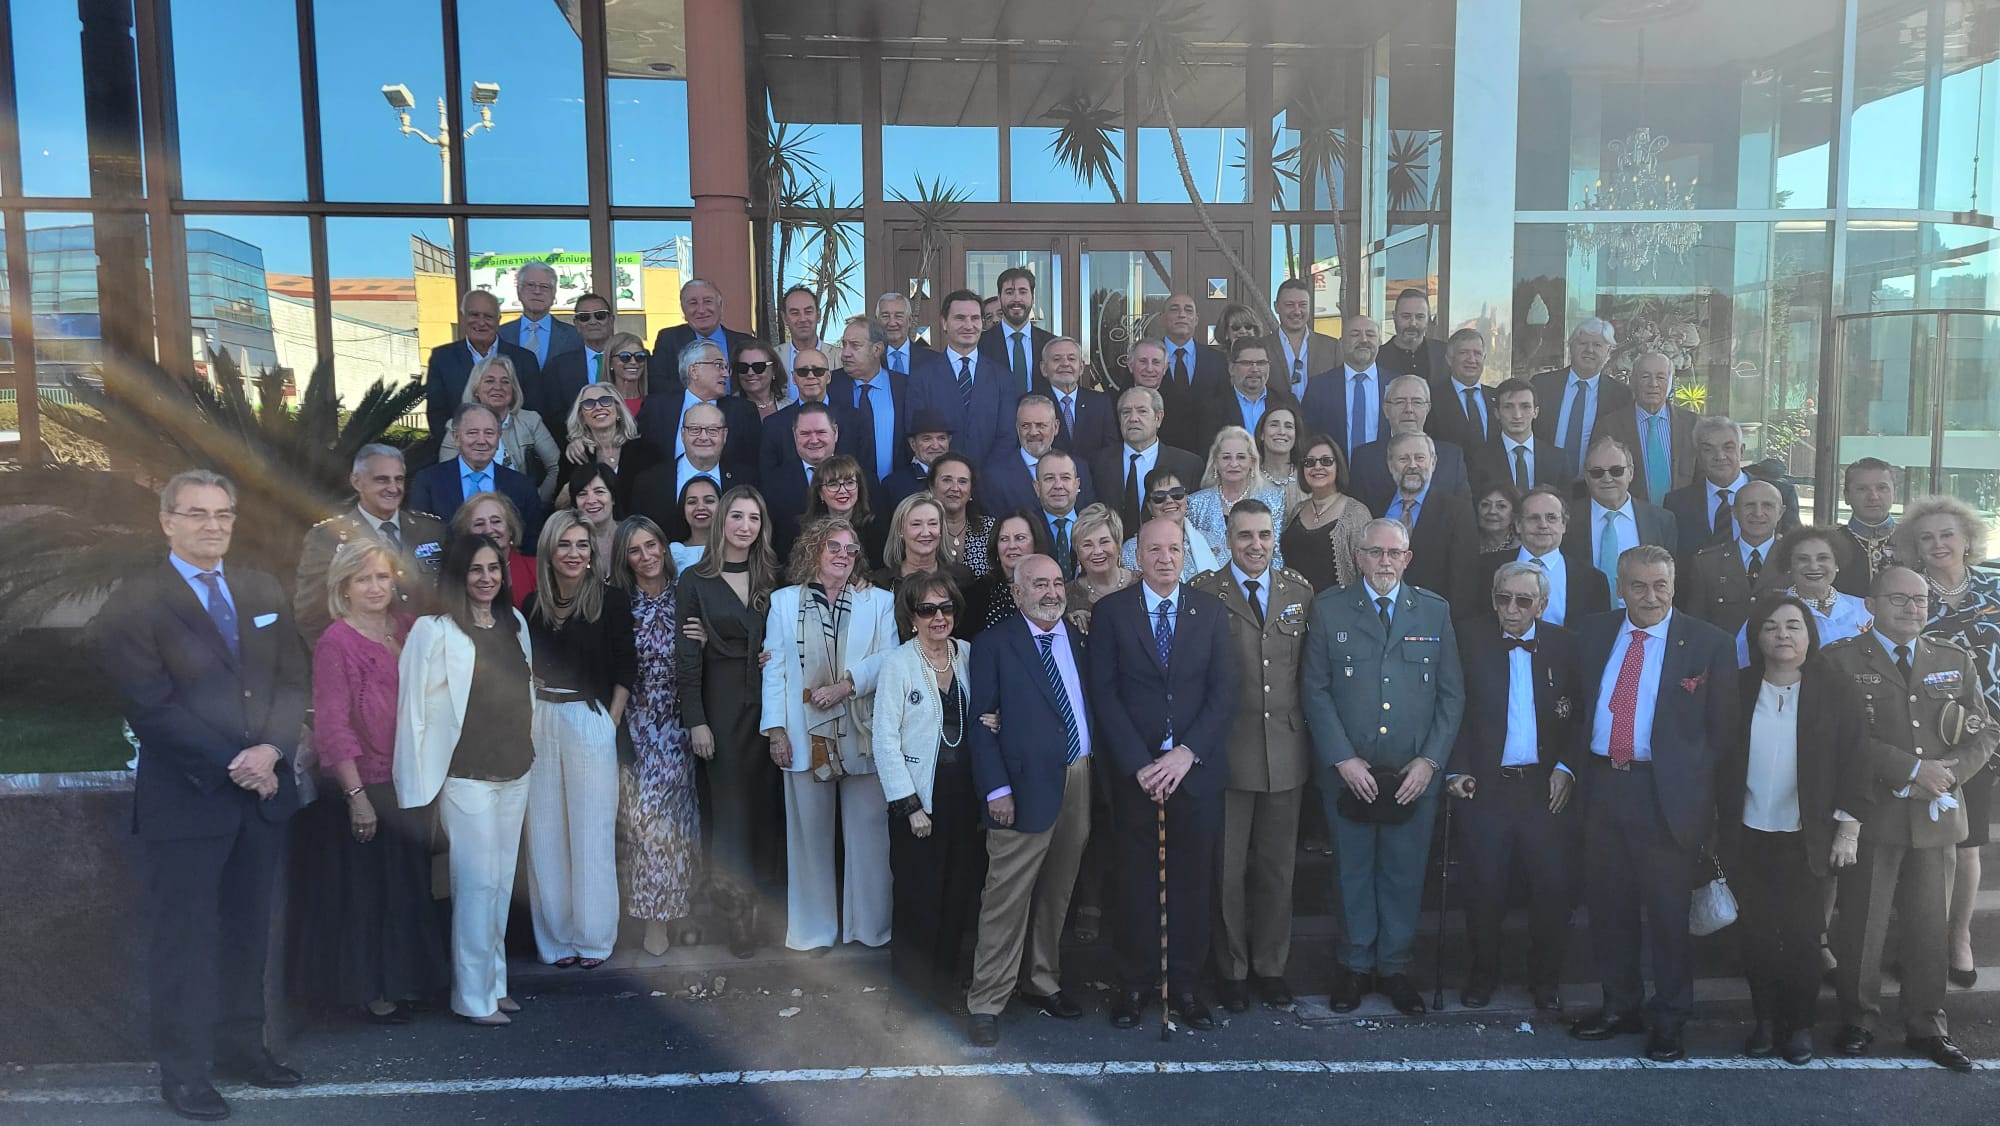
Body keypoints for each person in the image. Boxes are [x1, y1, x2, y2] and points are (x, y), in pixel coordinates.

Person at [95, 470, 310, 1119]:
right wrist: (234, 763)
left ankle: (242, 1046)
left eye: (222, 513)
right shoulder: (134, 603)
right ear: (167, 521)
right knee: (185, 940)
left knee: (248, 931)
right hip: (187, 801)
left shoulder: (262, 588)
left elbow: (293, 678)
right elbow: (150, 707)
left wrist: (271, 751)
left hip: (263, 793)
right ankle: (184, 1071)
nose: (211, 524)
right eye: (195, 514)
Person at [1568, 545, 1738, 1063]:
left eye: (1660, 585)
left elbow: (1723, 736)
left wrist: (1705, 809)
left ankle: (1670, 1018)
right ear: (1620, 586)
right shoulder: (1594, 633)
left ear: (1674, 584)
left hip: (1665, 797)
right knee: (1609, 908)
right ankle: (1620, 1006)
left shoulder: (1709, 644)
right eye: (1637, 586)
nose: (1649, 596)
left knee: (1667, 916)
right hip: (1601, 787)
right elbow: (1576, 708)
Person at [1824, 565, 1995, 1071]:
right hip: (1872, 813)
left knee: (1928, 926)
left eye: (1920, 600)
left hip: (1937, 813)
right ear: (1872, 604)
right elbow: (1838, 737)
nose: (1912, 608)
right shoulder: (1840, 661)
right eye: (1898, 599)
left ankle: (1927, 1023)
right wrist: (1910, 768)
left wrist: (1947, 773)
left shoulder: (1952, 658)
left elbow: (1985, 731)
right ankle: (1858, 1018)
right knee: (1863, 925)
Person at [1301, 518, 1463, 1015]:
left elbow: (1451, 696)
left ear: (1408, 558)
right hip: (1349, 772)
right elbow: (1316, 689)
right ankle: (1355, 968)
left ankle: (1393, 968)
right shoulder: (1329, 609)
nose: (1385, 562)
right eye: (1375, 553)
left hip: (1412, 774)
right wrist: (1343, 758)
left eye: (1394, 553)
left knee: (1402, 873)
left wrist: (1431, 762)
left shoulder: (1433, 612)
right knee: (1352, 871)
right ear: (1359, 557)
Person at [288, 541, 448, 1025]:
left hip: (411, 780)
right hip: (368, 784)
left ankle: (410, 982)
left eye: (382, 577)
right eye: (364, 580)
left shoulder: (405, 628)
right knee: (370, 896)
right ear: (344, 588)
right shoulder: (337, 642)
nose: (376, 587)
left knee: (409, 890)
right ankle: (374, 992)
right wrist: (357, 797)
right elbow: (333, 726)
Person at [1092, 518, 1240, 1030]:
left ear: (1184, 555)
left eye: (1173, 549)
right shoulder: (1112, 613)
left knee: (1192, 883)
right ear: (1137, 556)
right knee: (1134, 882)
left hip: (1193, 774)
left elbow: (1225, 693)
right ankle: (1134, 985)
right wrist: (1140, 764)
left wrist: (1184, 755)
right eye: (1154, 549)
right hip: (1136, 775)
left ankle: (1185, 986)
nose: (1164, 558)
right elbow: (1104, 693)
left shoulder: (1211, 613)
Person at [1721, 594, 1871, 1065]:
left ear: (1810, 635)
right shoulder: (1738, 688)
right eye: (1771, 626)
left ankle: (1800, 1027)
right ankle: (1765, 1022)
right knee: (1758, 935)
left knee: (1805, 937)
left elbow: (1856, 760)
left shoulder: (1836, 689)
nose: (1782, 634)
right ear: (1756, 637)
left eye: (1793, 625)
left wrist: (1848, 830)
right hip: (1748, 834)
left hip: (1808, 837)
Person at [395, 534, 535, 1029]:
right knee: (475, 886)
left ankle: (494, 985)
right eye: (475, 570)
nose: (486, 578)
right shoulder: (432, 632)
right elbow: (411, 711)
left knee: (499, 885)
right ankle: (471, 997)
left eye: (493, 569)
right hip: (465, 775)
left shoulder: (514, 623)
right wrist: (414, 786)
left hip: (515, 769)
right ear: (458, 575)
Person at [963, 554, 1096, 1046]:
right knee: (1006, 895)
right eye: (1038, 583)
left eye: (1057, 582)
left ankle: (1042, 981)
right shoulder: (995, 645)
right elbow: (981, 723)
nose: (1051, 592)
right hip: (1019, 789)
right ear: (1016, 592)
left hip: (1078, 777)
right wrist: (996, 789)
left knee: (1057, 891)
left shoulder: (1078, 639)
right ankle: (987, 1000)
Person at [1191, 501, 1312, 1012]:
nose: (1255, 545)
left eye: (1263, 535)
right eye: (1245, 536)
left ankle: (1271, 967)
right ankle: (1232, 970)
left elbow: (1308, 673)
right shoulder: (1204, 593)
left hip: (1285, 749)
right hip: (1228, 751)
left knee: (1276, 869)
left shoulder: (1299, 593)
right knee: (1228, 870)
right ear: (1228, 538)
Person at [1444, 561, 1580, 1012]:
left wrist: (1566, 766)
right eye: (1504, 598)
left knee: (1552, 887)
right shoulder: (1467, 639)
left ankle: (1545, 979)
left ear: (1541, 604)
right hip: (1486, 786)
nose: (1512, 609)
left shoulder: (1564, 645)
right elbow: (1451, 708)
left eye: (1524, 600)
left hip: (1543, 788)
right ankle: (1483, 975)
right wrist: (1456, 770)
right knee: (1484, 888)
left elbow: (1580, 715)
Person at [760, 517, 899, 953]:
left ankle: (869, 929)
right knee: (809, 837)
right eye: (833, 546)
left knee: (870, 835)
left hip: (860, 729)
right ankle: (814, 930)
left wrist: (845, 685)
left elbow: (890, 659)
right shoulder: (784, 602)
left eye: (850, 548)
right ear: (813, 550)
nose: (842, 555)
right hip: (804, 733)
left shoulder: (878, 601)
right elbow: (775, 669)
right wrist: (775, 731)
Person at [1894, 496, 2000, 994]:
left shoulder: (1997, 586)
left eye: (1947, 535)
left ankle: (1959, 939)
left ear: (1967, 540)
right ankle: (1921, 943)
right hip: (1925, 737)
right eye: (1926, 537)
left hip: (1985, 739)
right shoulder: (1908, 594)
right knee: (1926, 848)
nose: (1938, 545)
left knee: (1970, 840)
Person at [872, 572, 985, 1030]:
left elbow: (984, 711)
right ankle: (905, 998)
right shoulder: (898, 664)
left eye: (946, 608)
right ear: (912, 617)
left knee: (957, 898)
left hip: (965, 799)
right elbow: (884, 740)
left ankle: (944, 987)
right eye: (927, 610)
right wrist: (909, 805)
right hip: (919, 800)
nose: (939, 617)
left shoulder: (970, 655)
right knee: (918, 901)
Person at [523, 510, 637, 969]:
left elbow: (626, 668)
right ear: (550, 550)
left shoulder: (609, 601)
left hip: (590, 717)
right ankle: (556, 940)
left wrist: (608, 724)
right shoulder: (533, 604)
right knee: (545, 831)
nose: (574, 554)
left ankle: (593, 939)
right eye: (565, 545)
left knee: (591, 831)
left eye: (582, 545)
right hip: (541, 717)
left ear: (593, 553)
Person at [678, 486, 784, 957]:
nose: (745, 526)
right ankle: (736, 915)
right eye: (736, 517)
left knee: (767, 812)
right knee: (731, 816)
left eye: (754, 518)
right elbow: (686, 663)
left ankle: (765, 909)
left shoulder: (772, 579)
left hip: (769, 708)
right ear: (721, 522)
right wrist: (696, 721)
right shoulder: (694, 581)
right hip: (720, 708)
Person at [609, 516, 702, 957]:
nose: (646, 556)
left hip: (684, 720)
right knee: (647, 824)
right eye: (635, 550)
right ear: (625, 558)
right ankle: (652, 918)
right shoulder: (618, 603)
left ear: (664, 548)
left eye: (652, 546)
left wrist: (705, 636)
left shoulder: (688, 592)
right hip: (639, 722)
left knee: (683, 826)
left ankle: (681, 911)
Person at [295, 444, 445, 643]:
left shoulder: (431, 531)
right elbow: (311, 616)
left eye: (398, 479)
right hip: (364, 663)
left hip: (429, 658)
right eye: (381, 480)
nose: (393, 488)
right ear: (357, 482)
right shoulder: (327, 538)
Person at [1733, 525, 1874, 666]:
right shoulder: (1767, 613)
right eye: (1803, 559)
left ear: (1836, 564)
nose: (1813, 566)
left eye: (1823, 558)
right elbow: (1742, 665)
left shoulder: (1865, 610)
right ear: (1789, 566)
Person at [1477, 485, 1609, 628]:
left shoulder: (1593, 581)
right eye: (1534, 518)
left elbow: (1596, 637)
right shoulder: (1485, 569)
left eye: (1551, 518)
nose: (1543, 525)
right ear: (1518, 525)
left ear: (1563, 525)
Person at [408, 401, 545, 539]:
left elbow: (532, 541)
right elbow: (420, 538)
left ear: (498, 438)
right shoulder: (428, 481)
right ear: (456, 437)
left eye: (489, 433)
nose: (481, 440)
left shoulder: (522, 485)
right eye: (472, 433)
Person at [832, 315, 940, 488]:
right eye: (844, 344)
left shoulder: (906, 387)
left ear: (877, 349)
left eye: (855, 345)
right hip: (843, 494)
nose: (845, 353)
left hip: (896, 493)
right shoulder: (831, 385)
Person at [634, 339, 760, 487]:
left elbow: (753, 466)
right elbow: (641, 460)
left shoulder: (743, 412)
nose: (726, 374)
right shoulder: (656, 408)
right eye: (719, 365)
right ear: (694, 371)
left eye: (726, 368)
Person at [1663, 415, 1802, 550]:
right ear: (1698, 455)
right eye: (1708, 450)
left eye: (1728, 447)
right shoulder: (1677, 503)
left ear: (1741, 451)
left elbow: (1797, 550)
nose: (1719, 456)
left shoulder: (1781, 494)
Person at [915, 290, 1019, 467]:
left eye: (975, 318)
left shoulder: (1003, 378)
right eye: (960, 318)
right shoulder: (922, 376)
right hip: (939, 483)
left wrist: (984, 475)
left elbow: (1007, 436)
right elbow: (917, 432)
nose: (969, 325)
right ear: (944, 323)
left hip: (989, 482)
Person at [1566, 435, 1679, 598]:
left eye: (1616, 471)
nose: (1607, 478)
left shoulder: (1661, 520)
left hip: (1642, 618)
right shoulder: (1568, 519)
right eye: (1597, 473)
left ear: (1631, 472)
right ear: (1587, 476)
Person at [437, 354, 561, 502]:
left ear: (513, 390)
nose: (498, 387)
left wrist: (535, 501)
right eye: (489, 381)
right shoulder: (456, 426)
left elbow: (556, 468)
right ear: (476, 389)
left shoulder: (531, 421)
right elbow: (446, 479)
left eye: (505, 382)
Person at [1380, 432, 1480, 613]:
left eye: (1420, 458)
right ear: (1390, 465)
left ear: (1433, 463)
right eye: (1403, 458)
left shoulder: (1458, 512)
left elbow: (1464, 581)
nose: (1412, 465)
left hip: (1432, 619)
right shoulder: (1374, 507)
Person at [1679, 478, 1789, 635]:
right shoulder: (1706, 564)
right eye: (1749, 505)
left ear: (1781, 512)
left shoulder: (1794, 561)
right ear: (1735, 512)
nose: (1758, 513)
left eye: (1767, 505)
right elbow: (1697, 628)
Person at [1348, 374, 1472, 512]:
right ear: (1386, 409)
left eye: (1417, 402)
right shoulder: (1364, 458)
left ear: (1428, 408)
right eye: (1400, 402)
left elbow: (1464, 517)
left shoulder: (1452, 458)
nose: (1409, 409)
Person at [424, 289, 541, 434]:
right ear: (463, 317)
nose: (481, 322)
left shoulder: (524, 359)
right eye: (474, 315)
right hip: (459, 449)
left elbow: (532, 410)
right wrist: (455, 448)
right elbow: (437, 413)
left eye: (488, 316)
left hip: (514, 450)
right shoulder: (442, 358)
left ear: (498, 320)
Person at [1092, 385, 1204, 535]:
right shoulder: (1098, 463)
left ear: (1158, 418)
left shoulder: (1189, 465)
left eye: (1142, 411)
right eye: (1126, 412)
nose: (1133, 418)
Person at [1532, 318, 1633, 480]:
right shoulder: (1542, 385)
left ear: (1608, 353)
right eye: (1582, 343)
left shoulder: (1621, 395)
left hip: (1596, 486)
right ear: (1570, 347)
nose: (1589, 350)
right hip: (1544, 482)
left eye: (1597, 345)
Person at [629, 402, 743, 535]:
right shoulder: (648, 483)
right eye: (695, 429)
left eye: (712, 430)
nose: (703, 437)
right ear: (683, 434)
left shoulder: (745, 480)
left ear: (724, 435)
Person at [1602, 350, 1697, 505]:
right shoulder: (1610, 426)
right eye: (1645, 376)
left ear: (1671, 382)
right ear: (1632, 381)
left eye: (1660, 377)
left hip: (1682, 521)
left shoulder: (1692, 425)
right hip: (1632, 520)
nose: (1653, 384)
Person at [1187, 425, 1288, 571]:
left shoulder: (1273, 499)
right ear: (1216, 462)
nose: (1234, 464)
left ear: (1252, 462)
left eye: (1241, 457)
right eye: (1226, 457)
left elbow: (1275, 555)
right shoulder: (1195, 503)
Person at [1280, 436, 1370, 593]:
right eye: (1310, 462)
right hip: (1294, 611)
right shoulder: (1297, 510)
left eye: (1326, 461)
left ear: (1338, 466)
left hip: (1338, 611)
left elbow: (1368, 570)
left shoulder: (1356, 513)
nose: (1317, 467)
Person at [982, 394, 1098, 516]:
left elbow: (1090, 520)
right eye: (1025, 426)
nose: (1033, 432)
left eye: (1041, 425)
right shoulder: (995, 477)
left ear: (1056, 427)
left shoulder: (1079, 467)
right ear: (1017, 428)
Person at [557, 386, 662, 515]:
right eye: (589, 404)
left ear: (618, 410)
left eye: (605, 400)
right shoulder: (575, 455)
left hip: (636, 528)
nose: (598, 407)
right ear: (582, 417)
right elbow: (559, 506)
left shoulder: (646, 451)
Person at [765, 401, 844, 559]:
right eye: (805, 434)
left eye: (821, 432)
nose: (814, 440)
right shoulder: (773, 485)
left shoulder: (862, 479)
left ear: (835, 432)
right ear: (795, 435)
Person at [1299, 315, 1384, 460]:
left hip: (1383, 477)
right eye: (1355, 334)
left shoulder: (1395, 385)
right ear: (1341, 342)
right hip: (1333, 476)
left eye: (1370, 334)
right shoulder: (1319, 387)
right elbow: (1308, 438)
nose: (1364, 340)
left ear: (1380, 342)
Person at [649, 277, 756, 391]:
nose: (701, 310)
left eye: (708, 301)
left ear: (720, 306)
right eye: (693, 303)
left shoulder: (746, 343)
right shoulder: (668, 339)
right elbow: (657, 384)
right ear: (684, 310)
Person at [1198, 337, 1297, 455]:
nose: (1255, 369)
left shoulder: (1287, 402)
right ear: (1231, 368)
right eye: (1247, 363)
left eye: (1261, 363)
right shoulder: (1211, 406)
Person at [1118, 467, 1221, 581]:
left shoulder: (1212, 540)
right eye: (1159, 497)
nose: (1169, 500)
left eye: (1177, 493)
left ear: (1186, 498)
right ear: (1149, 506)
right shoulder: (1133, 549)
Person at [871, 491, 975, 600]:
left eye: (933, 523)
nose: (926, 532)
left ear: (941, 529)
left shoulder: (961, 578)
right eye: (916, 524)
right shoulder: (879, 583)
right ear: (900, 530)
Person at [539, 292, 618, 433]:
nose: (593, 321)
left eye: (600, 315)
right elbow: (554, 416)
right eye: (584, 317)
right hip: (576, 446)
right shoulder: (558, 367)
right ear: (576, 324)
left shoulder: (631, 360)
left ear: (611, 320)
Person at [1468, 378, 1563, 493]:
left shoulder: (1558, 459)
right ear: (1497, 413)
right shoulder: (1479, 459)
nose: (1517, 415)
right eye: (1508, 407)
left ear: (1535, 412)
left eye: (1525, 406)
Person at [970, 511, 1053, 632]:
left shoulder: (1051, 585)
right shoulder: (980, 591)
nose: (1012, 546)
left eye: (1020, 538)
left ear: (1035, 544)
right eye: (1004, 539)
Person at [800, 453, 886, 570]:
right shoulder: (804, 529)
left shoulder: (875, 529)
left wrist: (868, 580)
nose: (842, 490)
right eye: (833, 484)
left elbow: (880, 570)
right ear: (820, 493)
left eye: (849, 483)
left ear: (859, 488)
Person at [450, 491, 536, 608]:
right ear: (467, 534)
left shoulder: (536, 569)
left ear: (510, 529)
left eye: (496, 521)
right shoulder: (455, 575)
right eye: (479, 524)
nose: (489, 530)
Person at [1039, 337, 1116, 464]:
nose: (1065, 364)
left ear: (1081, 367)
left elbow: (1110, 450)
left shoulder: (1101, 403)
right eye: (1057, 359)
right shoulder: (1032, 403)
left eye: (1071, 359)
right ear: (1044, 368)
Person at [1260, 278, 1336, 403]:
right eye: (1289, 305)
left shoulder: (1332, 347)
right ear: (1276, 307)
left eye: (1302, 305)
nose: (1297, 311)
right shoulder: (1262, 347)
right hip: (1276, 420)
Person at [980, 266, 1054, 392]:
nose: (1016, 299)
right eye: (1009, 292)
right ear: (999, 297)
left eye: (1023, 292)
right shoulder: (981, 344)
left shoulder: (1051, 343)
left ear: (1033, 297)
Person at [497, 260, 582, 372]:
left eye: (544, 286)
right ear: (519, 292)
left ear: (554, 294)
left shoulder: (574, 336)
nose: (537, 291)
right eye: (531, 285)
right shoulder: (501, 335)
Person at [1127, 337, 1205, 455]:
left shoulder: (1185, 406)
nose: (1149, 369)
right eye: (1143, 361)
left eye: (1156, 362)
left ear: (1165, 367)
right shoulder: (1113, 403)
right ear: (1130, 365)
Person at [1065, 503, 1133, 635]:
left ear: (1118, 544)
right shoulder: (1065, 596)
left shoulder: (1143, 584)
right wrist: (1069, 621)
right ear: (1078, 553)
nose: (1097, 551)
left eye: (1104, 542)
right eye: (1087, 544)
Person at [1426, 327, 1497, 453]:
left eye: (1477, 353)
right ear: (1449, 359)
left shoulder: (1497, 397)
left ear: (1484, 359)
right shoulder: (1432, 398)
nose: (1471, 359)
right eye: (1463, 352)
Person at [1835, 458, 1899, 594]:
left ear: (1895, 493)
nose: (1873, 496)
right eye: (1862, 489)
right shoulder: (1830, 543)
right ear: (1846, 496)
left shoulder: (1913, 540)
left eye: (1882, 488)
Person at [931, 451, 993, 577]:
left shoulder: (991, 528)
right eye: (947, 480)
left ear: (971, 491)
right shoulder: (922, 530)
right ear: (932, 487)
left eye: (962, 481)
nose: (955, 488)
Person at [1159, 292, 1229, 402]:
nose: (1182, 314)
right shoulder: (1145, 358)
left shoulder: (1217, 360)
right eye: (1174, 309)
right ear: (1163, 318)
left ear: (1196, 320)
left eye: (1188, 310)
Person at [879, 409, 954, 509]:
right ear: (913, 444)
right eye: (927, 439)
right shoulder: (893, 485)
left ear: (949, 441)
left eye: (941, 438)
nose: (935, 446)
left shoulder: (962, 479)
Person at [1031, 450, 1089, 580]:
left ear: (1076, 485)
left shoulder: (1094, 524)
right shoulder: (1027, 527)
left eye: (1065, 478)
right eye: (1049, 478)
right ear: (1037, 487)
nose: (1058, 485)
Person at [1379, 287, 1447, 383]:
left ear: (1428, 318)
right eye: (1406, 316)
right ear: (1394, 316)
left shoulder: (1445, 355)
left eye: (1420, 317)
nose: (1413, 323)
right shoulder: (1378, 358)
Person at [655, 475, 720, 574]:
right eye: (692, 502)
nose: (700, 507)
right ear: (683, 509)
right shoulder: (673, 553)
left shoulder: (735, 549)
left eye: (709, 501)